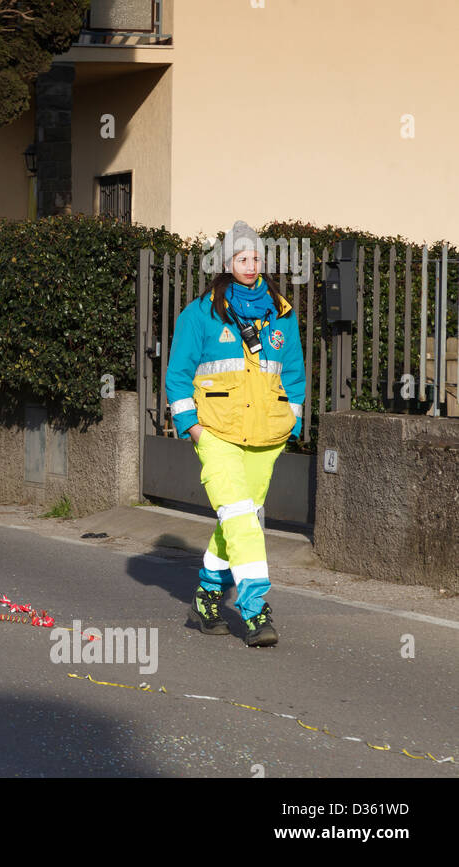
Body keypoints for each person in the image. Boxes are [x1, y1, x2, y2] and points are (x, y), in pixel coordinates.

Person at [166, 221, 306, 648]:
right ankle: (255, 610)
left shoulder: (280, 313)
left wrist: (291, 423)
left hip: (266, 436)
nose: (251, 265)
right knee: (245, 521)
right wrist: (192, 426)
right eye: (242, 258)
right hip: (217, 432)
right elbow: (178, 376)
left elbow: (294, 375)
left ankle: (207, 599)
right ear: (227, 264)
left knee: (236, 520)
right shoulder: (200, 314)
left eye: (256, 257)